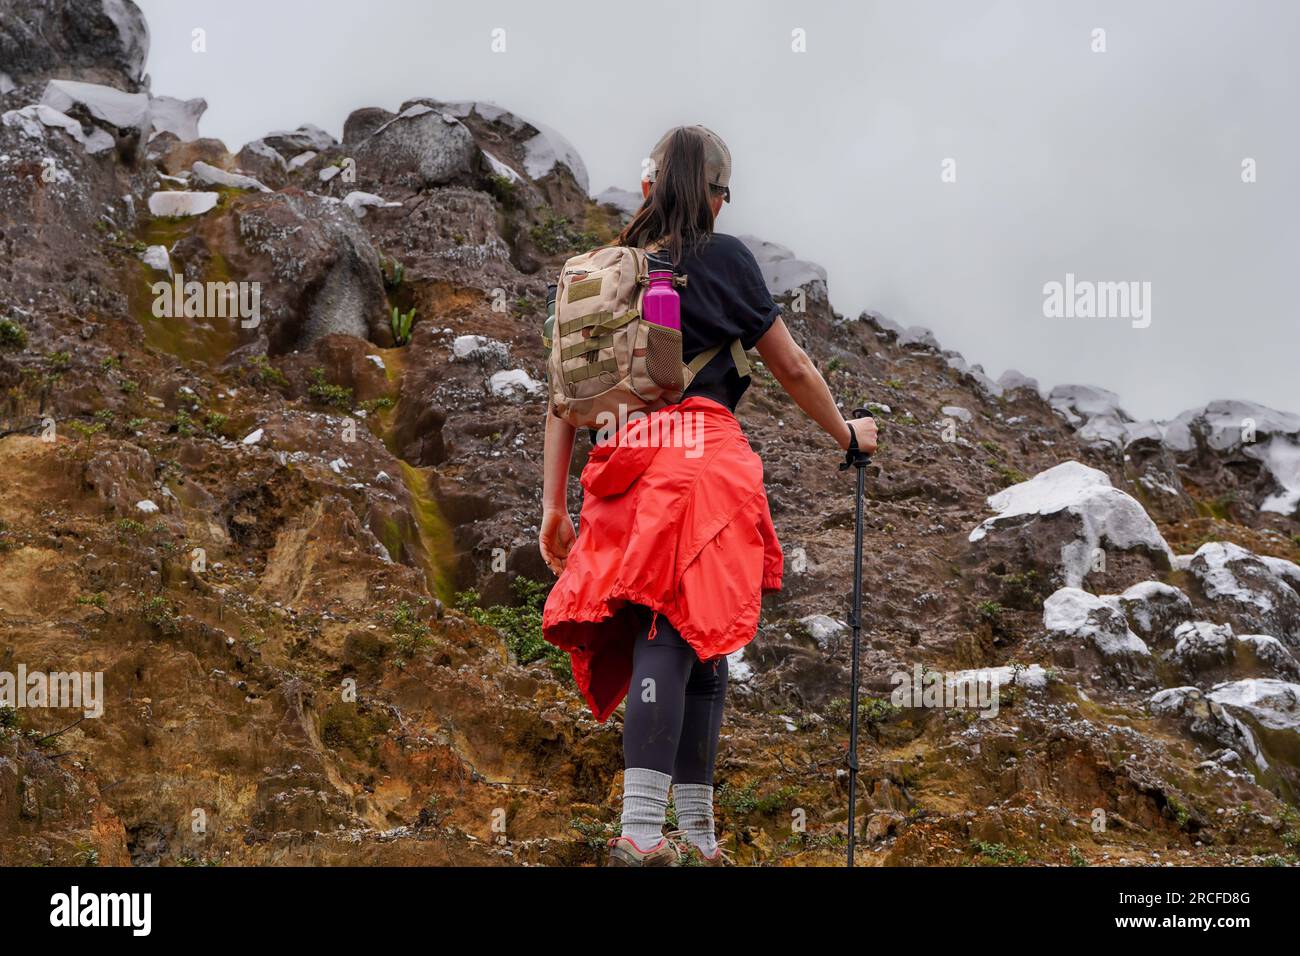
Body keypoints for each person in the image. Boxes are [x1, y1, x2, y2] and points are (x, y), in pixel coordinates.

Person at [539, 125, 877, 866]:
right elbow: (789, 368)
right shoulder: (723, 259)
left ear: (649, 189)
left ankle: (695, 838)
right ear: (717, 197)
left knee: (704, 647)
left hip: (619, 469)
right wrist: (846, 434)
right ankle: (638, 836)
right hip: (693, 466)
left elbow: (563, 397)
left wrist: (553, 506)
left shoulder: (611, 272)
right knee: (673, 628)